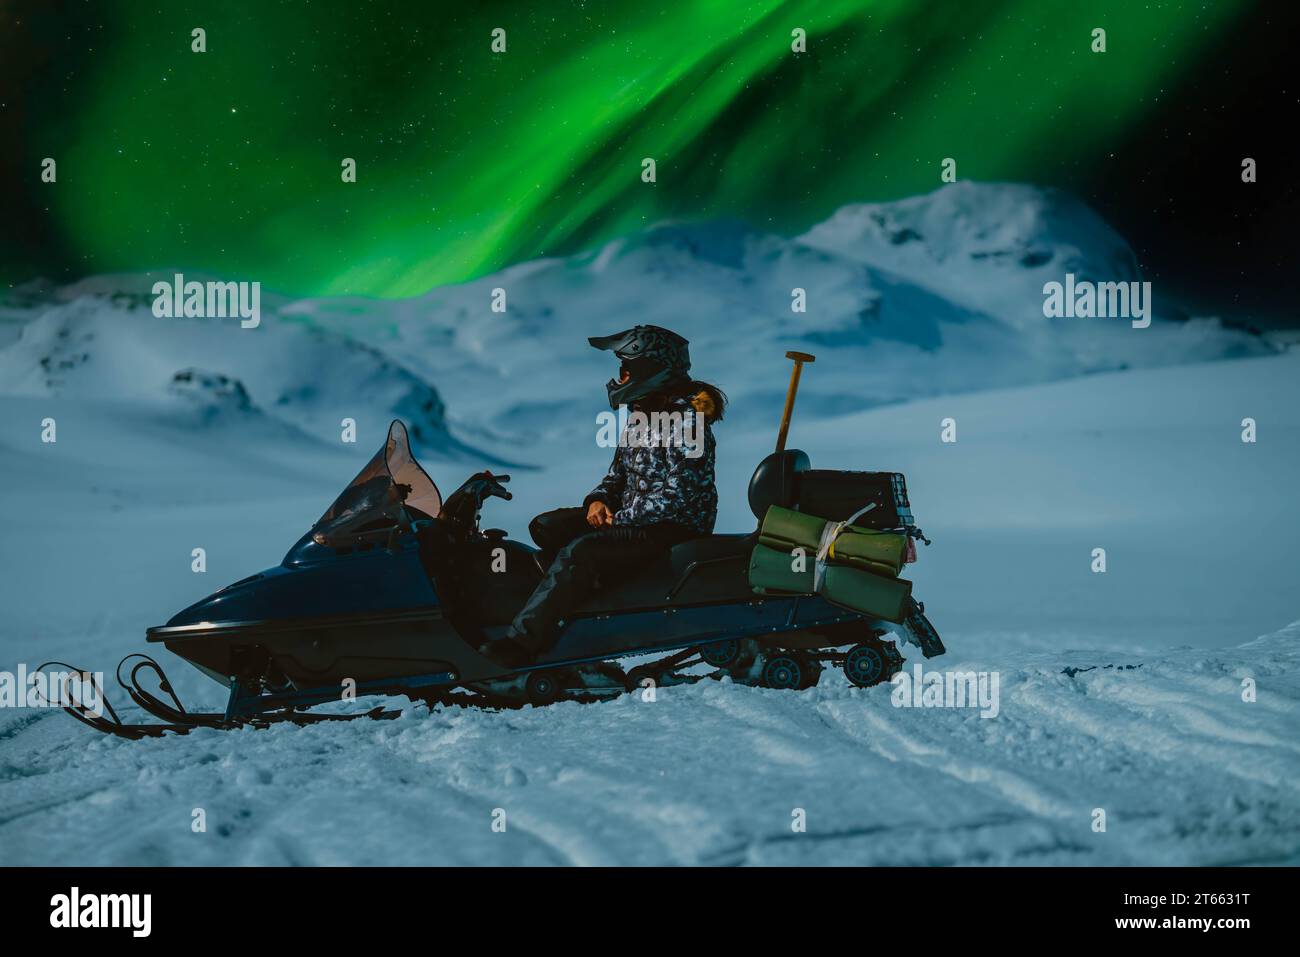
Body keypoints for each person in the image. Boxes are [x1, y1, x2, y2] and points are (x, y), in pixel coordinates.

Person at [479, 325, 726, 668]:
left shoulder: (688, 422)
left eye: (626, 369)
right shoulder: (642, 413)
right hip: (634, 518)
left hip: (672, 527)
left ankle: (523, 643)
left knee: (581, 551)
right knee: (545, 527)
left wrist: (617, 520)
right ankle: (576, 616)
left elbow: (678, 497)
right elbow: (617, 475)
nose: (619, 378)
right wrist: (598, 501)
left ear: (649, 369)